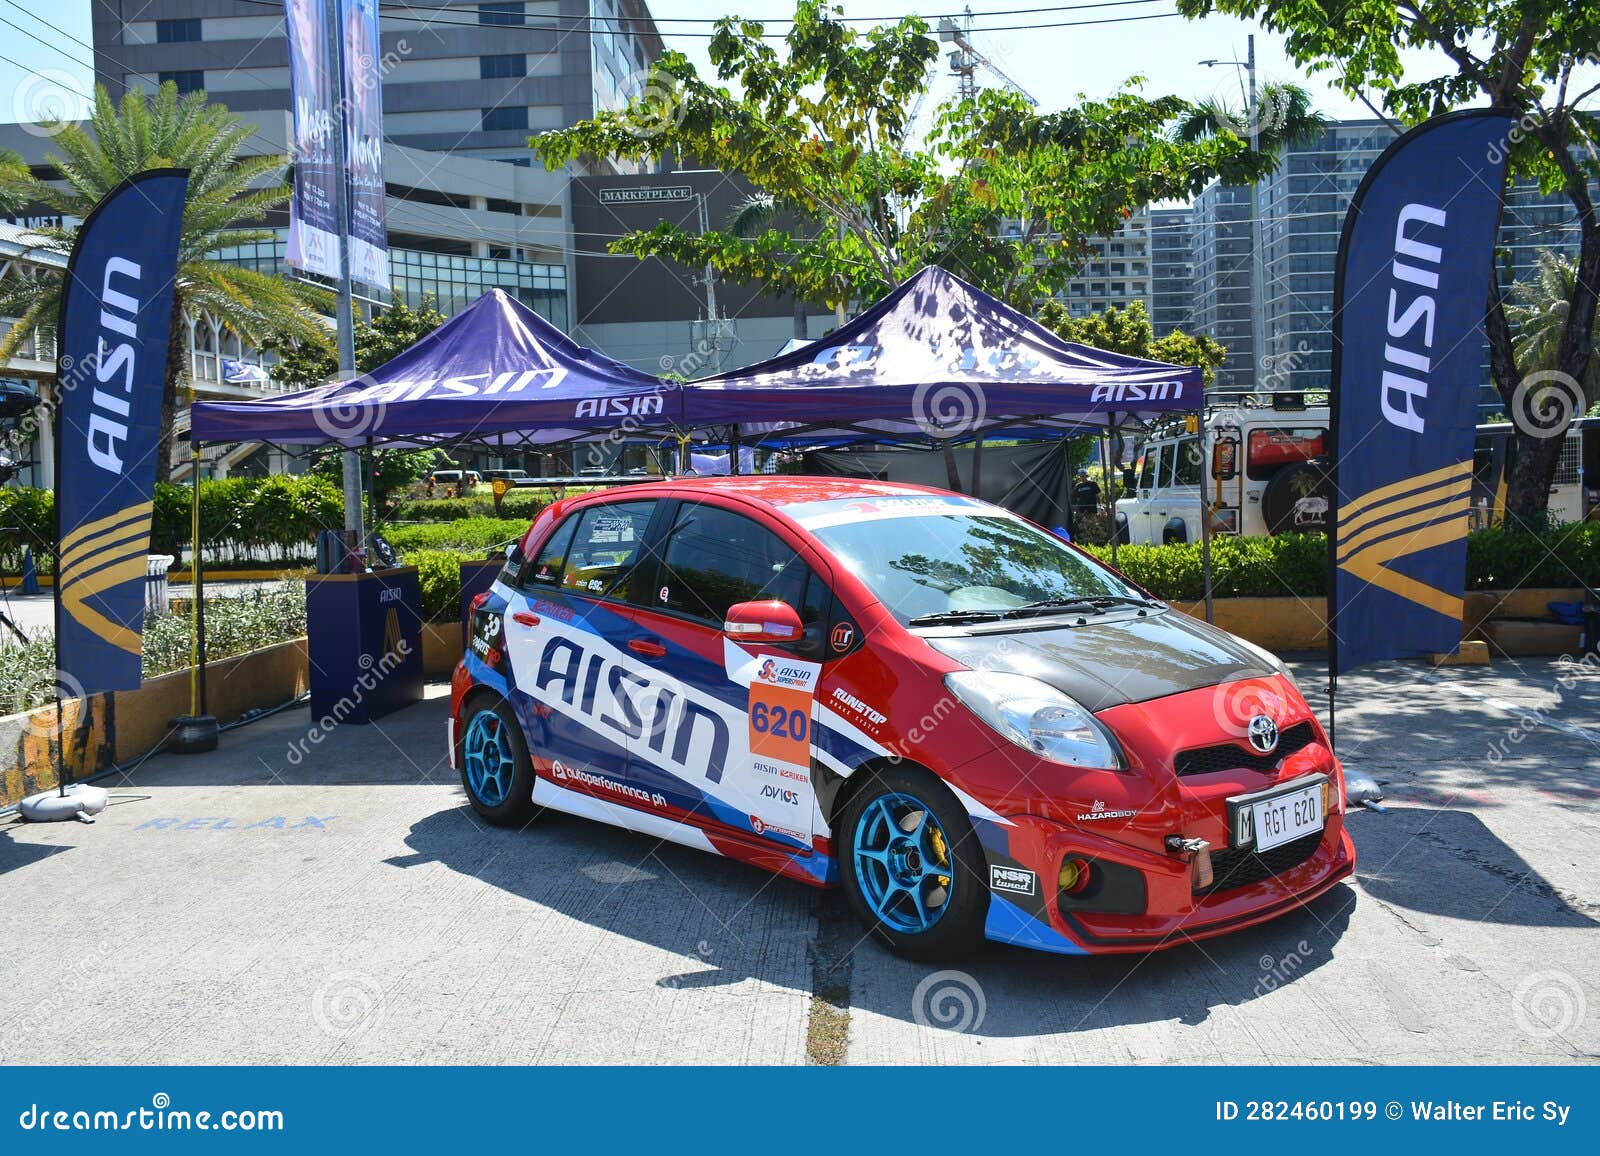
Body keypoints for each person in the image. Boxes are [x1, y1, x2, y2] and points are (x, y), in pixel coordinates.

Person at [1071, 468, 1100, 537]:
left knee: (1093, 523)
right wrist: (1077, 509)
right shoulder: (1078, 486)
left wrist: (1099, 505)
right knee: (1084, 524)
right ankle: (1086, 538)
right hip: (1082, 509)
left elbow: (1097, 495)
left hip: (1092, 508)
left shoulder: (1092, 484)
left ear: (1086, 476)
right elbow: (1077, 498)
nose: (1082, 477)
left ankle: (1095, 537)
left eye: (1083, 475)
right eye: (1081, 476)